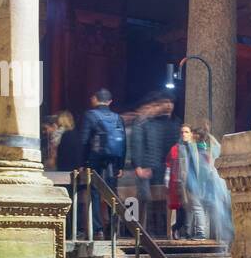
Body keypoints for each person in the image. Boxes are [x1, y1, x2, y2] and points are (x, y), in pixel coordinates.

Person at [76, 88, 125, 239]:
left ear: (95, 99)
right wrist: (120, 165)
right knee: (111, 194)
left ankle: (98, 230)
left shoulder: (90, 115)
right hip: (113, 161)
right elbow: (123, 142)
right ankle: (113, 228)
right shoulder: (118, 118)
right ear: (110, 101)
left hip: (95, 160)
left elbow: (84, 141)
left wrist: (82, 162)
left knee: (95, 193)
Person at [131, 92, 180, 238]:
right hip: (150, 165)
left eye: (169, 102)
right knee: (148, 199)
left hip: (165, 166)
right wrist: (139, 165)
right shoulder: (145, 122)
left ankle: (163, 230)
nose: (167, 106)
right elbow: (139, 144)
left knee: (163, 199)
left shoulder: (174, 122)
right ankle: (147, 231)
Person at [166, 124, 194, 239]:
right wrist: (167, 180)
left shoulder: (194, 148)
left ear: (191, 134)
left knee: (190, 208)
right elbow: (169, 165)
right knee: (180, 208)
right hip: (179, 182)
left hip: (192, 183)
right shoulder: (175, 148)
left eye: (186, 132)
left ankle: (187, 231)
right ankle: (177, 228)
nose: (184, 134)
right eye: (182, 132)